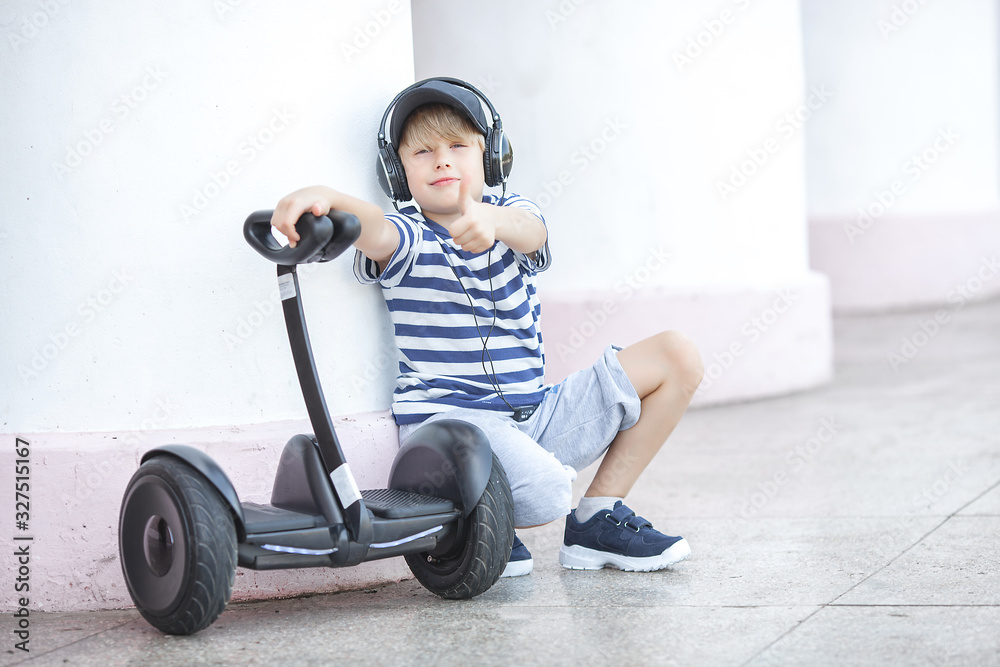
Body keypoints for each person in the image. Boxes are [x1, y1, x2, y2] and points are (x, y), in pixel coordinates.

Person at [270, 78, 704, 576]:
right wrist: (328, 197)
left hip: (533, 416)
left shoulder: (513, 214)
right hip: (455, 430)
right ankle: (481, 515)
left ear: (490, 159)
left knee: (677, 355)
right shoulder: (408, 236)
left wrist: (492, 222)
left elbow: (532, 231)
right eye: (422, 152)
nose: (442, 160)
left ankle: (595, 518)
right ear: (398, 171)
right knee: (545, 491)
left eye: (458, 146)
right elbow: (374, 227)